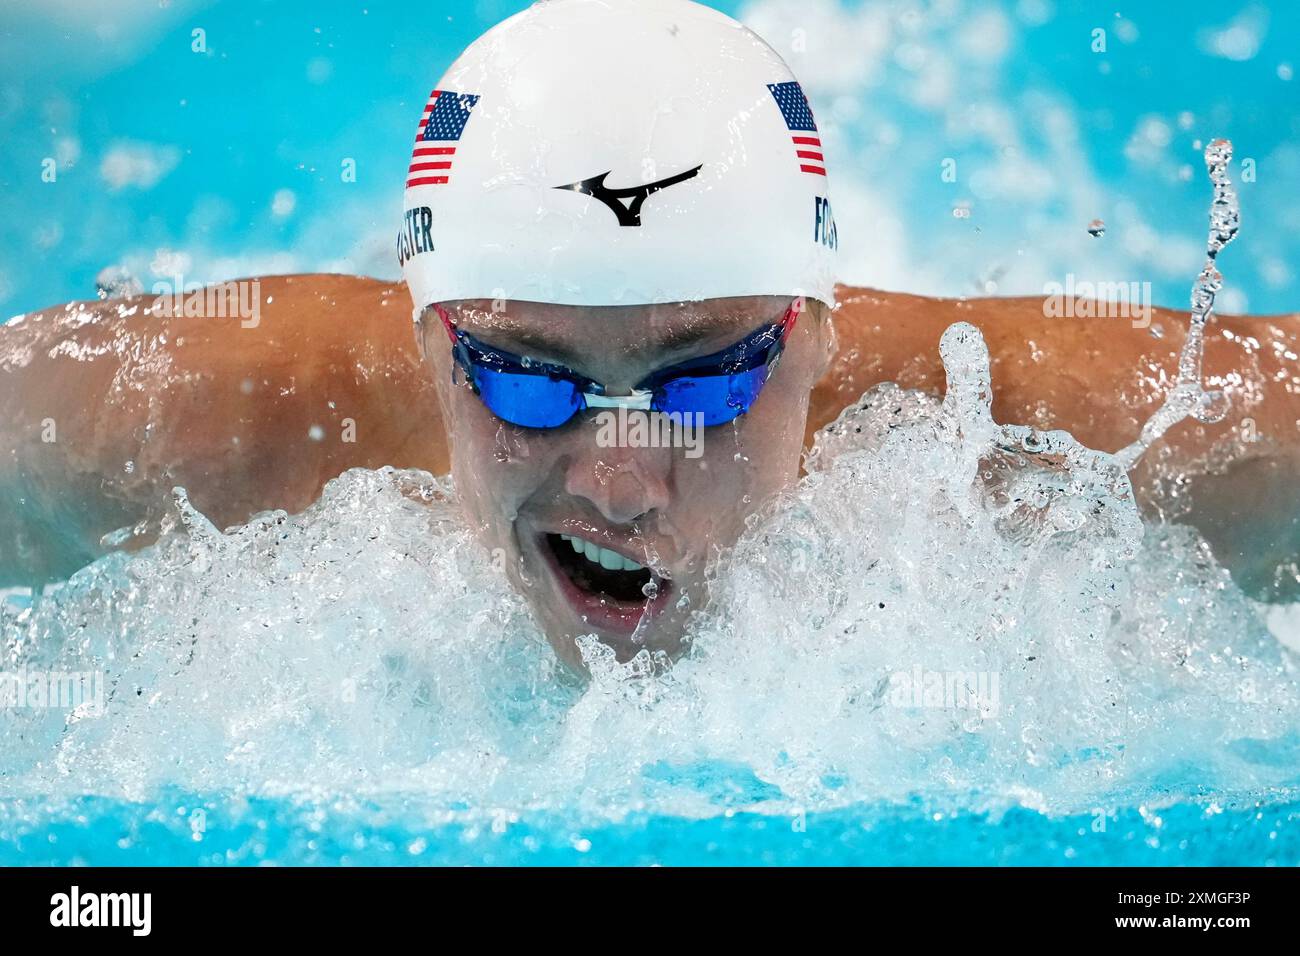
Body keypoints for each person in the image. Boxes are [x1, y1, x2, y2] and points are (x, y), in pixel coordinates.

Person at [2, 0, 1298, 671]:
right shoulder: (182, 419)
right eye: (524, 379)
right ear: (429, 347)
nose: (621, 482)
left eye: (709, 377)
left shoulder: (1072, 440)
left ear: (814, 343)